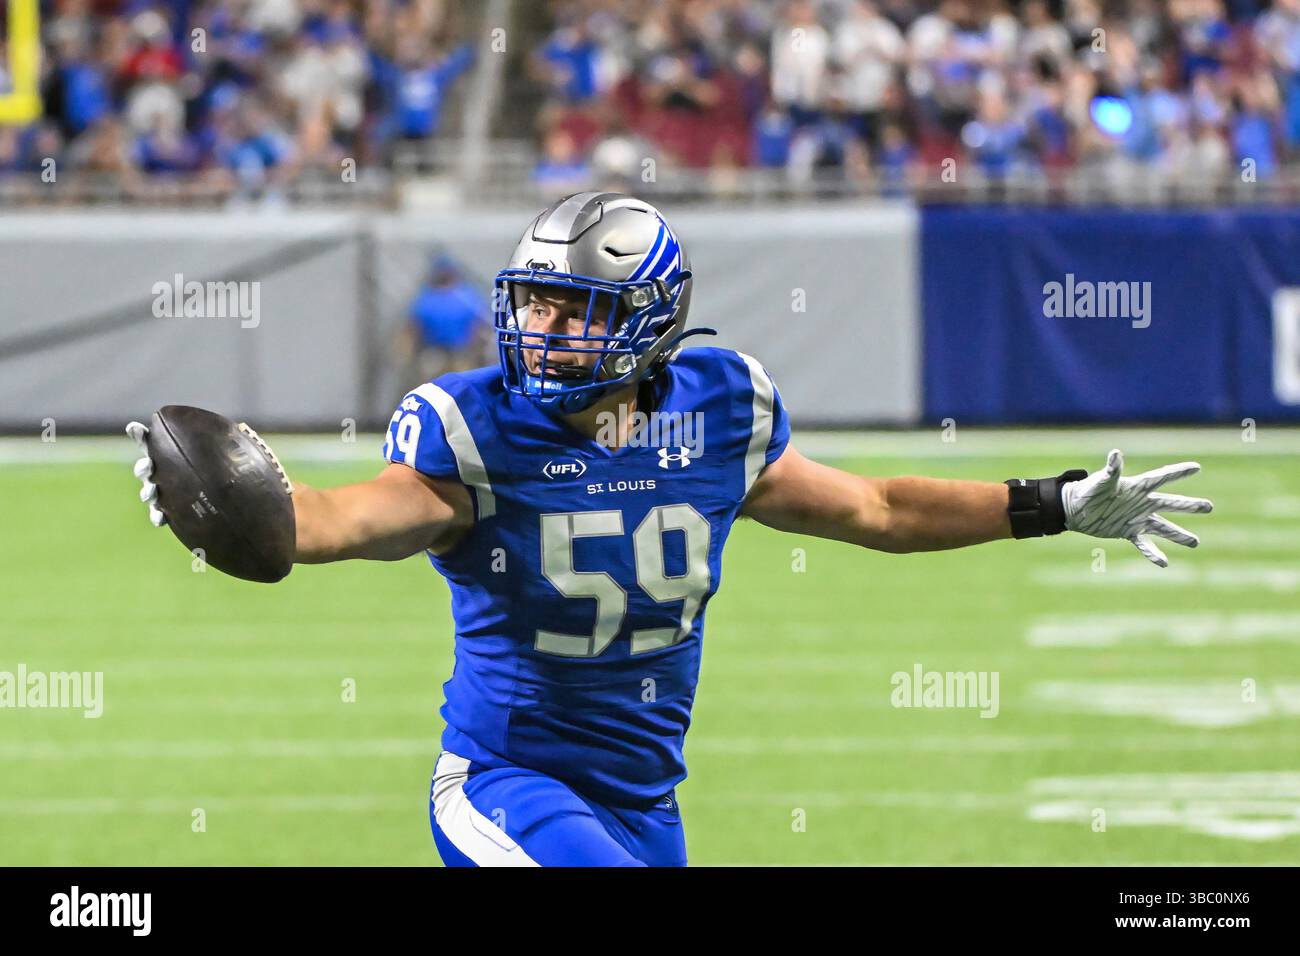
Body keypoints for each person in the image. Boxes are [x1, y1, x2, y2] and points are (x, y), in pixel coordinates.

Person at [128, 192, 1213, 867]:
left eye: (572, 310)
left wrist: (1049, 502)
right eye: (534, 304)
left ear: (648, 319)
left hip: (644, 798)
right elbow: (338, 519)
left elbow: (876, 507)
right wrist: (241, 504)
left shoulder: (719, 410)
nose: (541, 333)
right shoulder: (476, 432)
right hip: (506, 782)